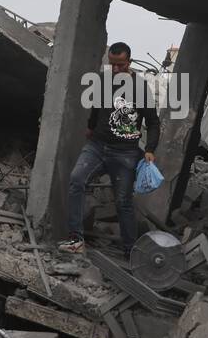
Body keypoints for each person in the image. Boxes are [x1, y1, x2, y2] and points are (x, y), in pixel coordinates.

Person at [58, 42, 159, 256]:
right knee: (77, 180)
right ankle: (76, 240)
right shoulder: (103, 80)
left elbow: (153, 123)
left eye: (120, 65)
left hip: (125, 152)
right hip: (97, 146)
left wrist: (150, 149)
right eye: (112, 64)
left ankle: (131, 251)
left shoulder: (140, 88)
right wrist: (91, 126)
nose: (115, 69)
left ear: (129, 62)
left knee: (123, 202)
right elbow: (96, 107)